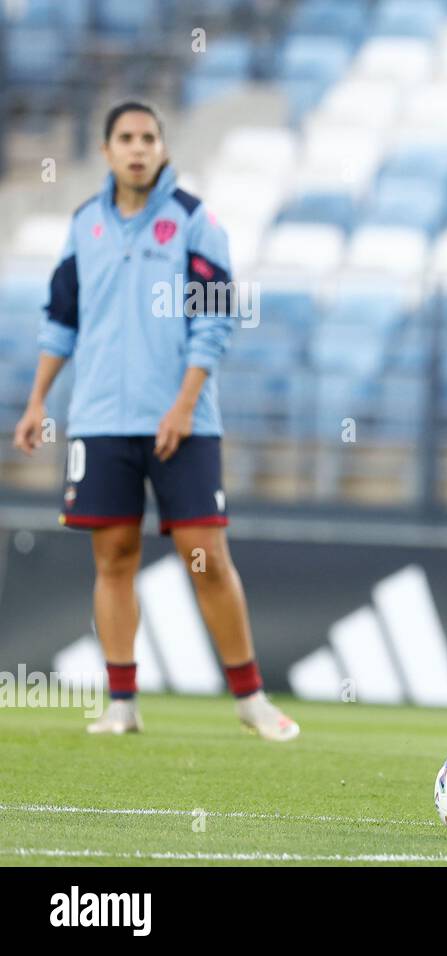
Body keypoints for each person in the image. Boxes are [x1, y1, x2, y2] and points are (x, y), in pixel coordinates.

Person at [10, 101, 298, 742]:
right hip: (101, 421)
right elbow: (61, 320)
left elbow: (216, 320)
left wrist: (184, 403)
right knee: (113, 557)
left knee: (205, 555)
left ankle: (250, 698)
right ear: (108, 150)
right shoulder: (84, 224)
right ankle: (121, 702)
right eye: (125, 138)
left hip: (184, 424)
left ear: (163, 149)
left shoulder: (196, 222)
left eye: (148, 137)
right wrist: (37, 403)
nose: (138, 147)